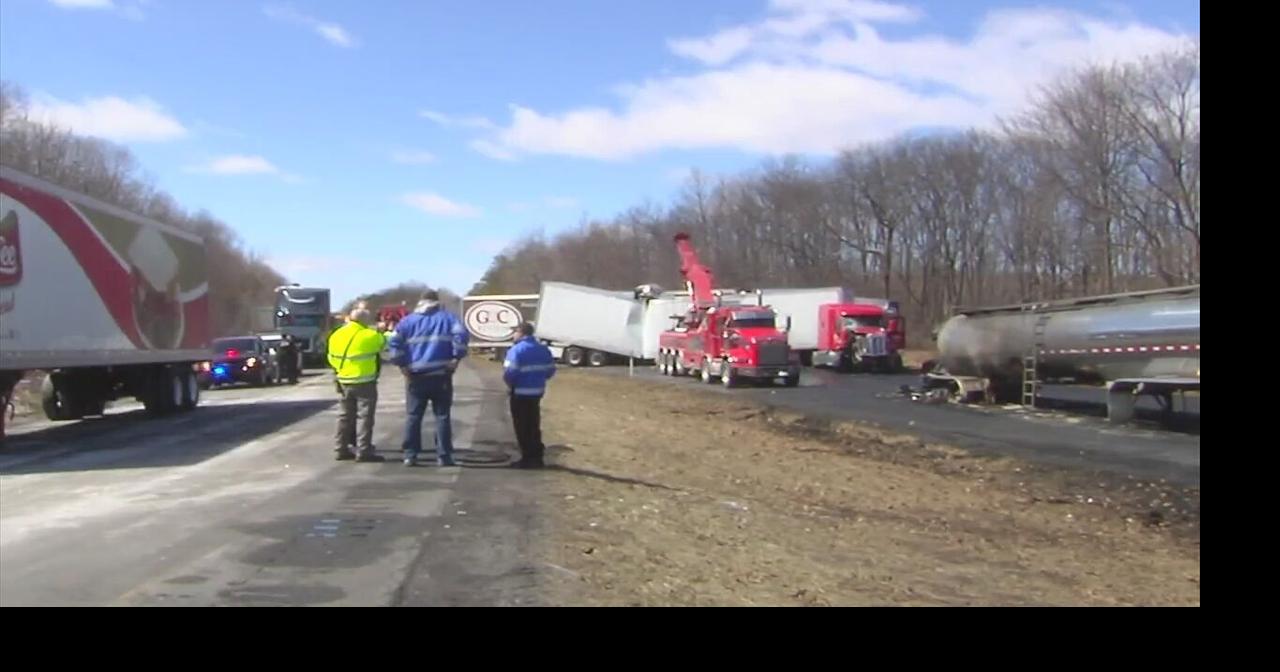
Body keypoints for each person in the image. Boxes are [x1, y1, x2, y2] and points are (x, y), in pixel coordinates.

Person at [388, 290, 469, 467]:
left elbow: (394, 344)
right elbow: (461, 336)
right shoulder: (449, 319)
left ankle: (410, 455)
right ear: (436, 302)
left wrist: (402, 365)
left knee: (413, 416)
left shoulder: (407, 321)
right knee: (442, 416)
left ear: (421, 301)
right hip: (441, 375)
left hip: (415, 375)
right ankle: (444, 456)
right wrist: (456, 358)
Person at [328, 307, 387, 462]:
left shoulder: (336, 335)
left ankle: (340, 448)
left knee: (345, 416)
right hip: (364, 381)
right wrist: (384, 330)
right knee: (365, 417)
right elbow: (385, 342)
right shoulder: (369, 335)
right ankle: (363, 450)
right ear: (364, 320)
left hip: (343, 380)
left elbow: (331, 357)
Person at [502, 322, 556, 469]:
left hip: (520, 392)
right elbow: (550, 370)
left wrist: (510, 385)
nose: (513, 335)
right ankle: (537, 456)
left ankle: (527, 458)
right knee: (534, 424)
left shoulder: (516, 350)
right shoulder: (543, 349)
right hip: (537, 392)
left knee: (522, 426)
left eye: (515, 332)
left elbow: (510, 373)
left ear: (521, 333)